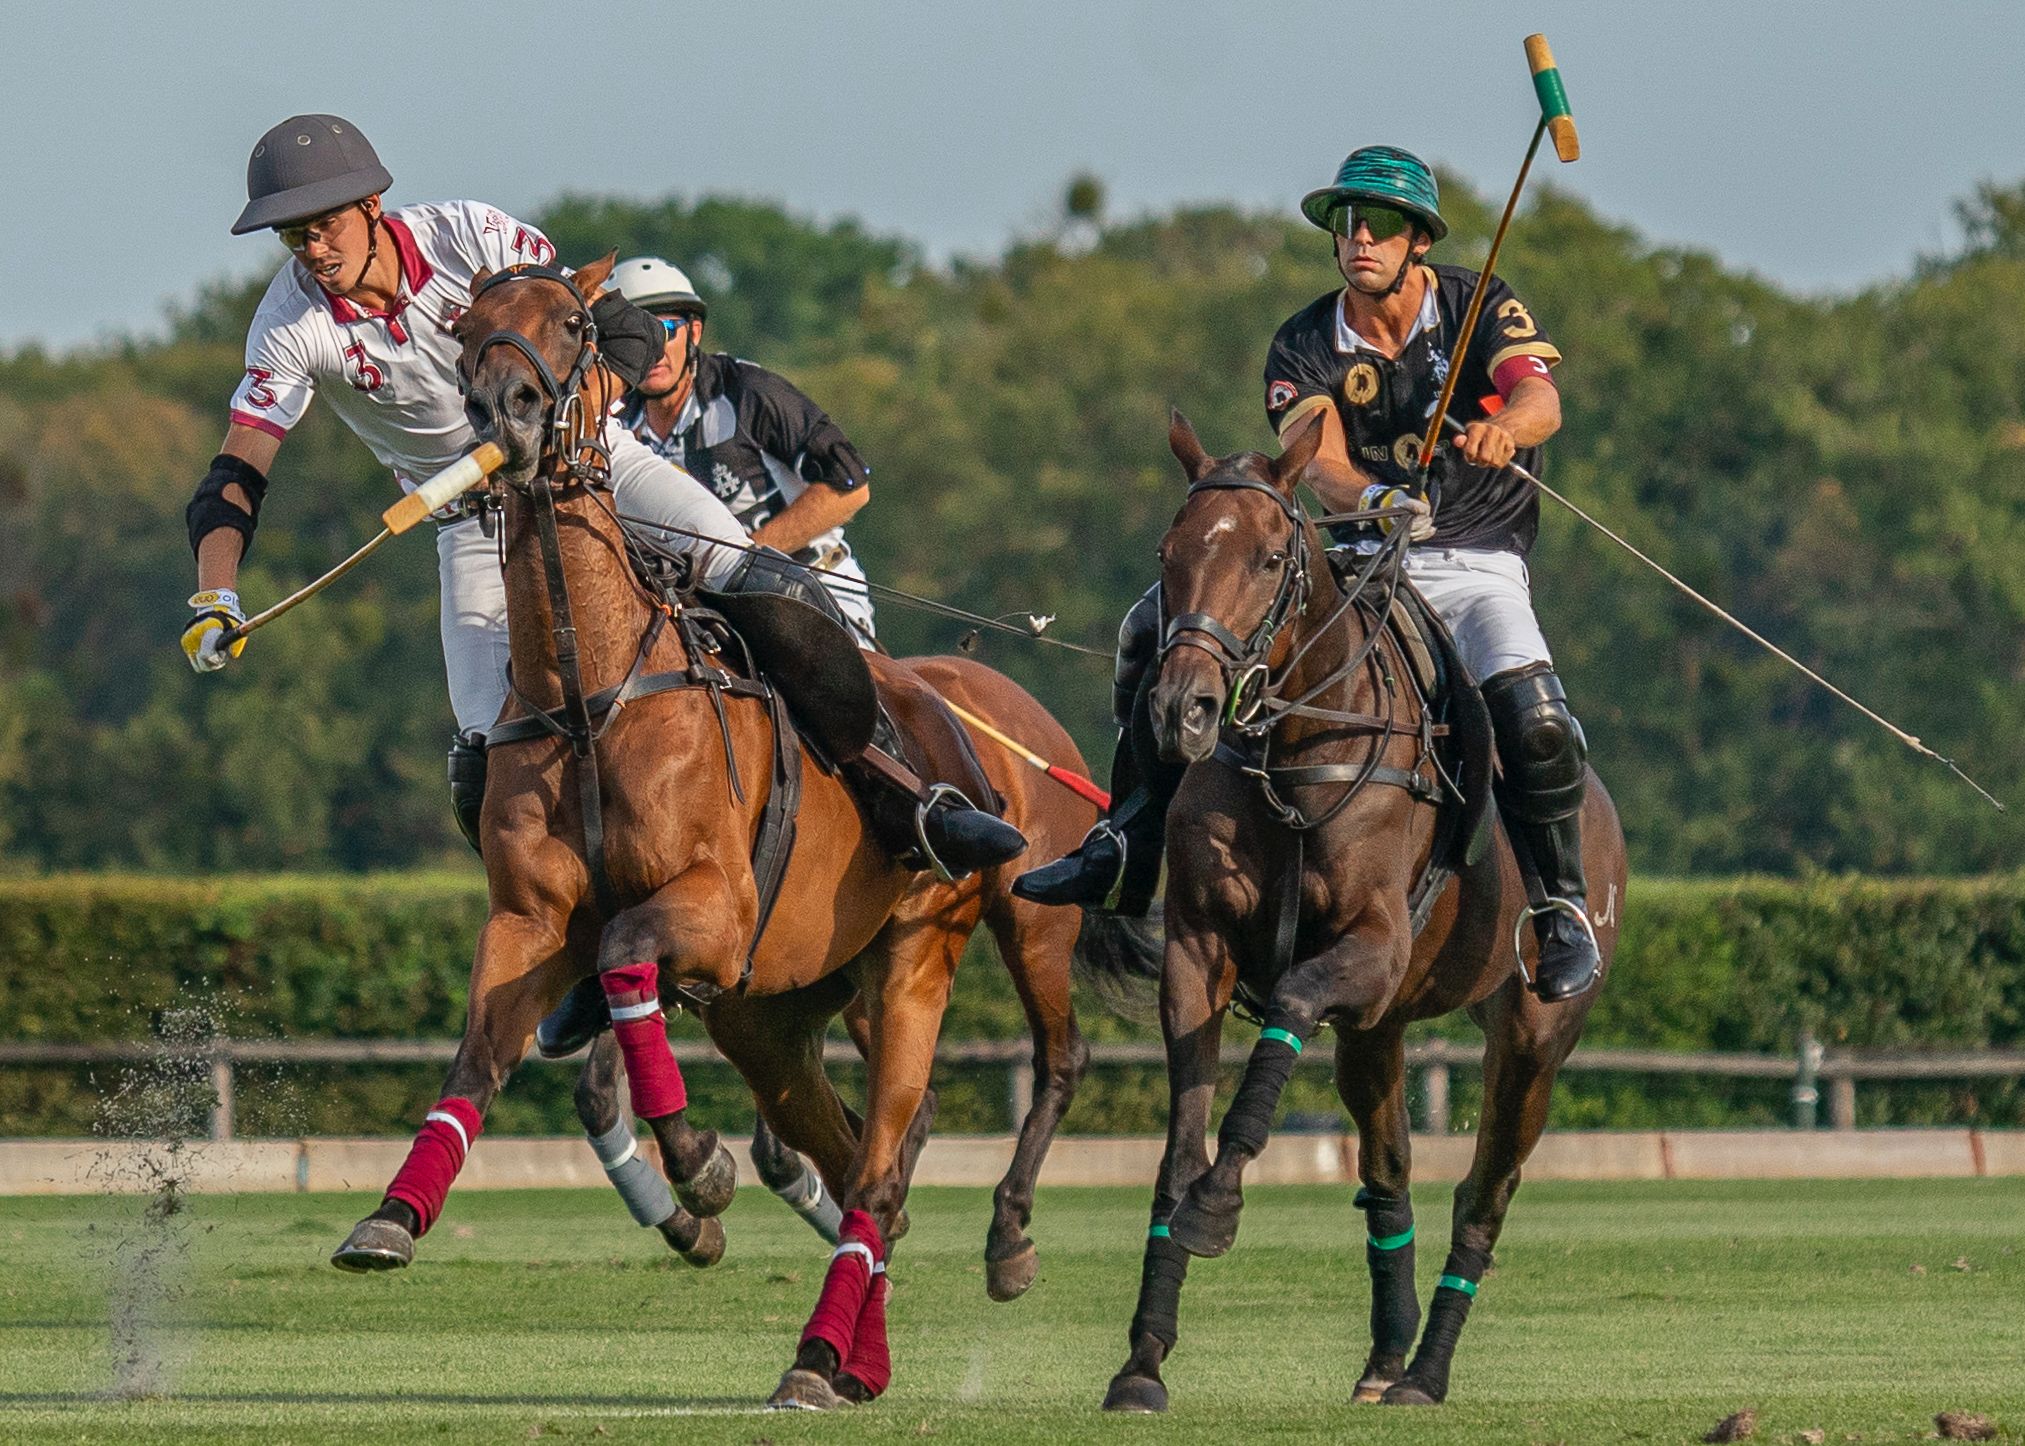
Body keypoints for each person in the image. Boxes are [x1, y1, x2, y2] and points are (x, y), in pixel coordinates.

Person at [181, 114, 1020, 878]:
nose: (311, 251)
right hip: (475, 526)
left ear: (371, 205)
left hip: (599, 466)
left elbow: (622, 330)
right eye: (292, 236)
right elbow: (236, 473)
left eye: (322, 225)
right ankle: (568, 924)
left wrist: (574, 420)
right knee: (483, 750)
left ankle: (910, 798)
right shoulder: (291, 326)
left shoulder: (470, 235)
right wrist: (216, 590)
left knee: (773, 587)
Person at [1014, 146, 1602, 1002]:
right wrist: (1373, 498)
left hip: (1474, 561)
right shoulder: (1303, 340)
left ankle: (1558, 908)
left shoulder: (1479, 306)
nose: (1359, 238)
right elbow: (1314, 456)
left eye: (1380, 224)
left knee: (1536, 715)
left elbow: (1539, 398)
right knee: (1156, 631)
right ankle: (1130, 838)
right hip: (1355, 559)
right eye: (1345, 224)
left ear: (1418, 241)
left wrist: (1506, 427)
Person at [610, 256, 878, 644]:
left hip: (814, 590)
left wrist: (744, 563)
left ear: (694, 332)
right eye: (636, 337)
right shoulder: (615, 424)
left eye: (665, 330)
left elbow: (850, 487)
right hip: (700, 614)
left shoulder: (749, 392)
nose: (653, 350)